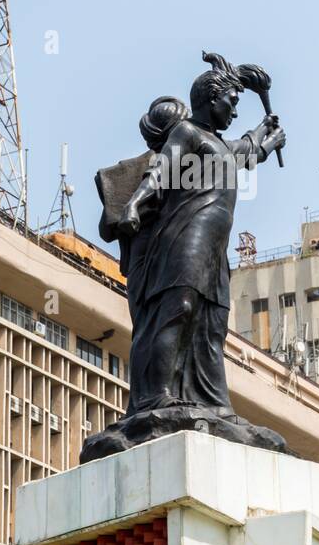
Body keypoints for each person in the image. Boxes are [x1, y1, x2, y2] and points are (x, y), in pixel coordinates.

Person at [116, 54, 285, 414]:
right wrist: (134, 204)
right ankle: (156, 395)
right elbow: (161, 172)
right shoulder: (188, 133)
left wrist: (268, 136)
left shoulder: (221, 144)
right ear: (212, 99)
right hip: (186, 237)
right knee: (180, 308)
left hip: (215, 249)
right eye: (231, 103)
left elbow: (248, 150)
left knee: (212, 325)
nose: (235, 112)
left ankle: (213, 401)